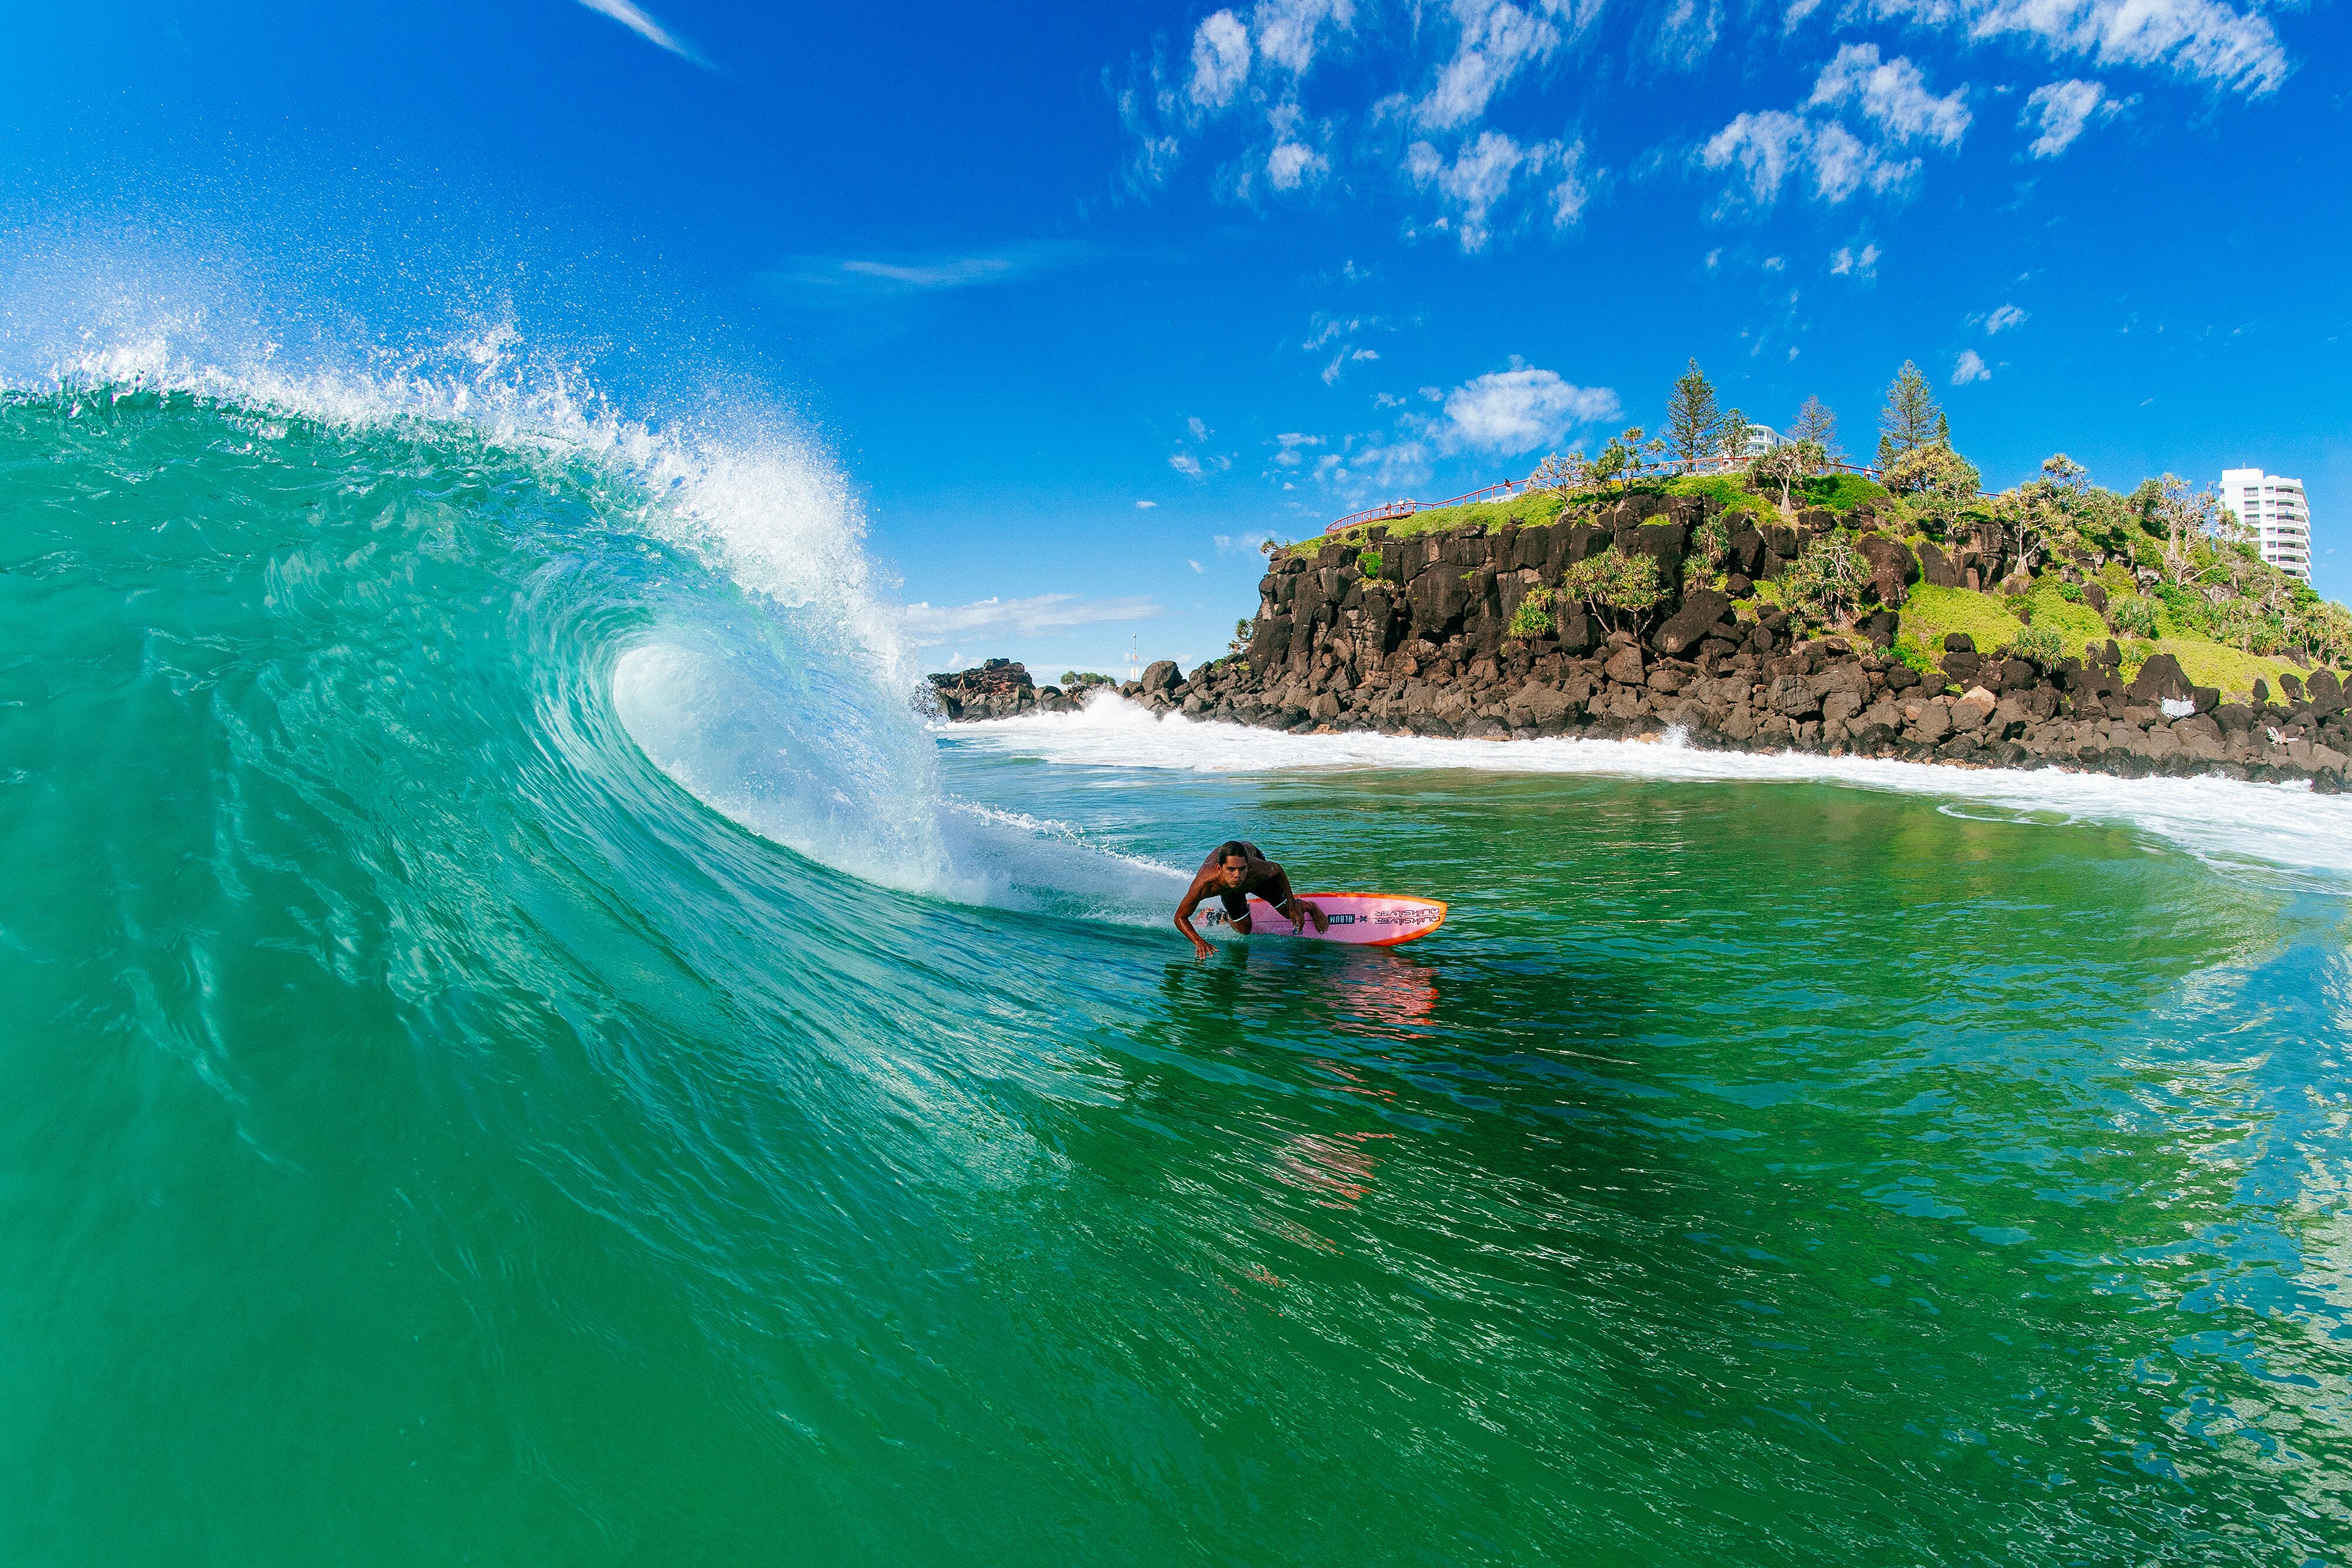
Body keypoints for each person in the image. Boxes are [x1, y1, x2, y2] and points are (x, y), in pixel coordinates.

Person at [1174, 840, 1327, 958]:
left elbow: (1278, 870)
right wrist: (1198, 941)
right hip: (1228, 888)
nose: (1237, 875)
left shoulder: (1257, 869)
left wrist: (1293, 906)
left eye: (1242, 869)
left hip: (1253, 878)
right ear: (1220, 869)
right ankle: (1224, 916)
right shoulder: (1204, 885)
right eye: (1231, 870)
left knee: (1288, 913)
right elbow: (1180, 917)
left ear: (1247, 866)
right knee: (1245, 930)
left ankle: (1310, 906)